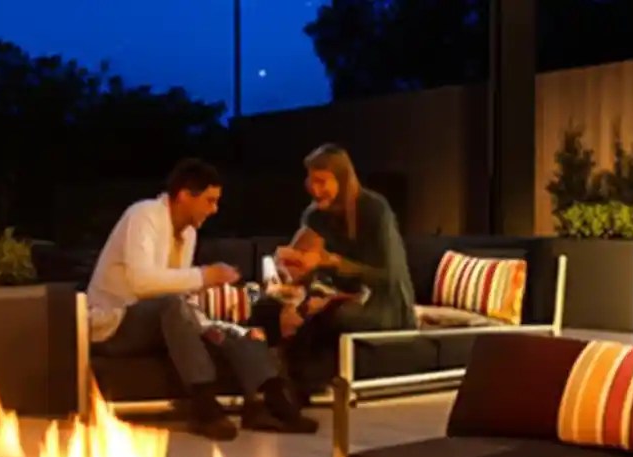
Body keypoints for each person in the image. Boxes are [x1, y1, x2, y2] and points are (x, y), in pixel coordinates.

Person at [84, 158, 317, 440]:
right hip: (116, 321)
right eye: (209, 200)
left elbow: (179, 290)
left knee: (227, 327)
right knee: (173, 306)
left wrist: (209, 316)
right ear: (184, 195)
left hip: (162, 319)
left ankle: (269, 398)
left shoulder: (189, 234)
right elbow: (141, 282)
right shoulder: (143, 215)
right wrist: (204, 276)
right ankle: (204, 405)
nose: (214, 209)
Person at [272, 144, 418, 396]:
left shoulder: (375, 210)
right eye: (310, 180)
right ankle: (283, 387)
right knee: (281, 308)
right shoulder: (316, 215)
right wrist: (289, 268)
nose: (314, 189)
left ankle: (298, 387)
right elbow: (302, 265)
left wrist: (332, 262)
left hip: (384, 303)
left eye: (322, 181)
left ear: (342, 179)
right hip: (340, 296)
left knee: (330, 317)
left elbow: (387, 277)